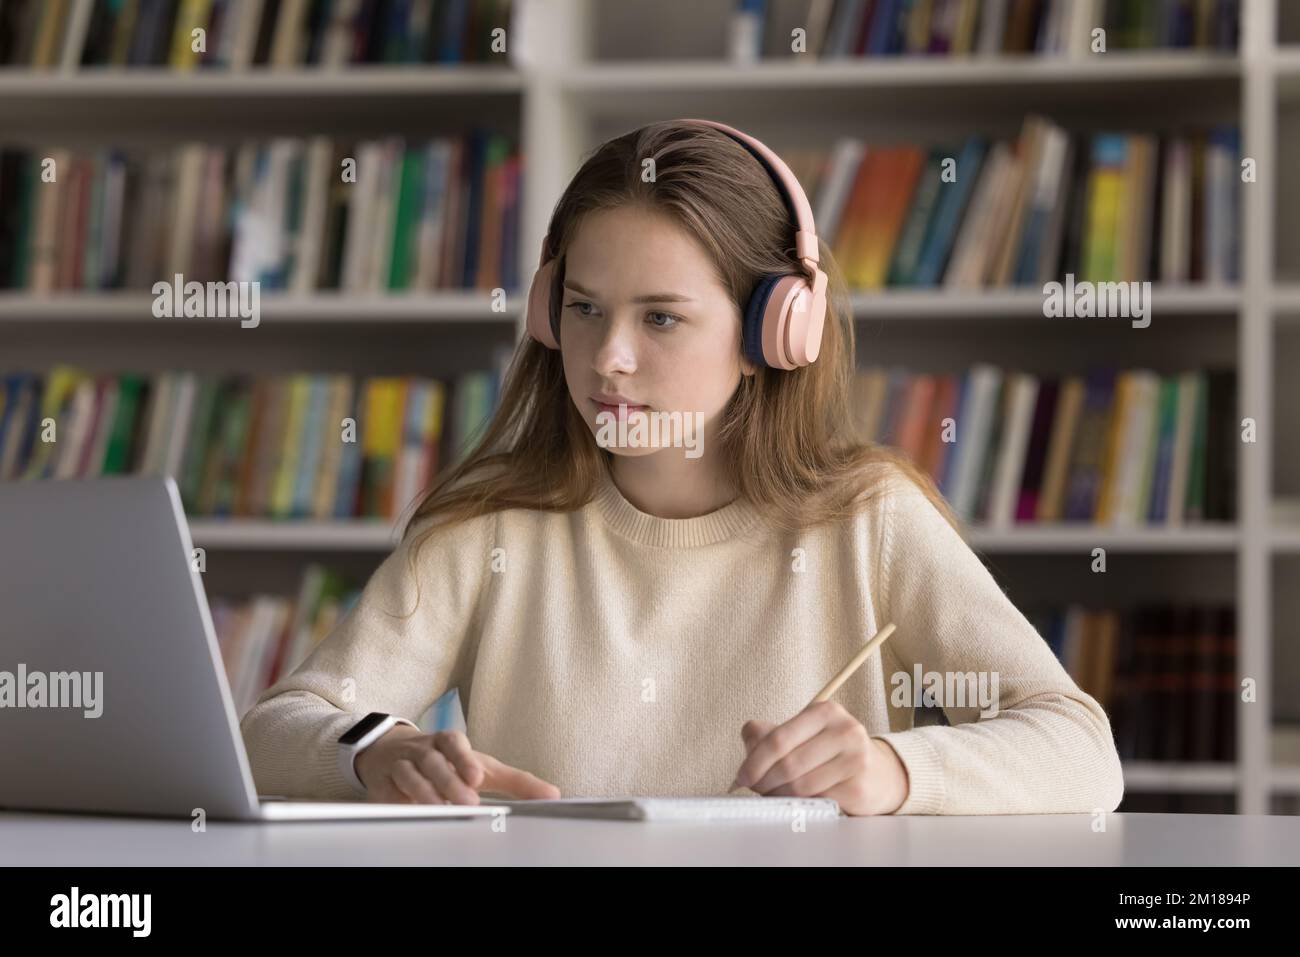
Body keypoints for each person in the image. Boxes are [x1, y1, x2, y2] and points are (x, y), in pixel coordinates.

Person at [240, 119, 1125, 816]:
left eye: (660, 318)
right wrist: (373, 750)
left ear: (771, 336)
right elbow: (272, 729)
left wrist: (893, 768)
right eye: (583, 308)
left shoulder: (868, 520)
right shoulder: (488, 529)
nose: (607, 357)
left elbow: (1081, 748)